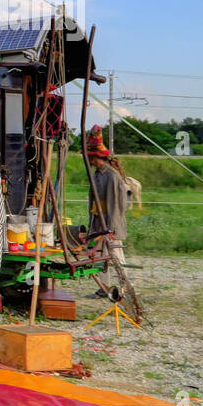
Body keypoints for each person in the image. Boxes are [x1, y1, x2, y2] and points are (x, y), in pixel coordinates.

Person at [84, 125, 130, 296]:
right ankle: (104, 288)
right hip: (99, 221)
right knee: (102, 256)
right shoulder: (98, 173)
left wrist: (110, 229)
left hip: (111, 223)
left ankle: (125, 288)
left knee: (116, 256)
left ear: (95, 157)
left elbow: (115, 206)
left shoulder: (111, 176)